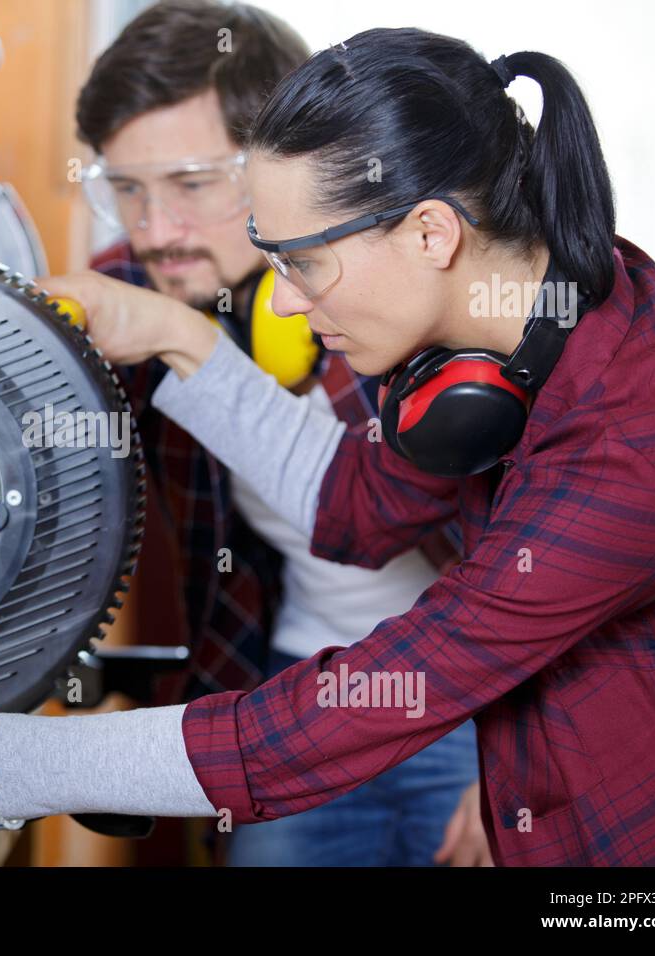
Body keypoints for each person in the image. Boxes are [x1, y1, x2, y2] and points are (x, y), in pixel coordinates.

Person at [0, 27, 655, 866]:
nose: (282, 301)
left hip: (640, 841)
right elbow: (357, 507)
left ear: (429, 234)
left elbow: (339, 717)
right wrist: (177, 333)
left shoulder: (638, 442)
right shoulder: (492, 329)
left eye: (306, 263)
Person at [71, 0, 482, 865]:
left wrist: (525, 758)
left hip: (478, 705)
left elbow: (567, 555)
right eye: (127, 190)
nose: (155, 230)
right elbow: (9, 471)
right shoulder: (142, 290)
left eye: (190, 183)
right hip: (301, 697)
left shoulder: (426, 287)